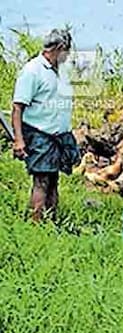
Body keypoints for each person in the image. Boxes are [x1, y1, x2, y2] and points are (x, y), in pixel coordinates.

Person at [11, 28, 81, 221]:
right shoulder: (32, 71)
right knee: (41, 180)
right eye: (67, 52)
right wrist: (19, 140)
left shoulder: (60, 71)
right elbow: (17, 108)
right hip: (39, 134)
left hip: (59, 136)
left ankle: (51, 222)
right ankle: (36, 225)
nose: (68, 57)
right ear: (59, 48)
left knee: (53, 180)